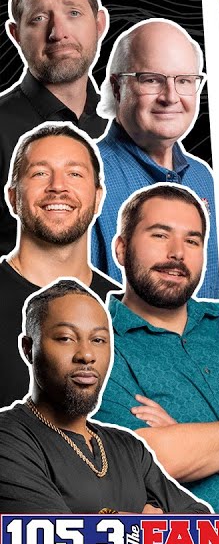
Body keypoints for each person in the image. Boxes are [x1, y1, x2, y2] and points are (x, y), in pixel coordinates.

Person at [0, 279, 208, 513]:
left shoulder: (129, 448)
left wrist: (119, 525)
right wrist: (145, 525)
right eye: (66, 338)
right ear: (29, 348)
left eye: (98, 340)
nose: (87, 355)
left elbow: (207, 530)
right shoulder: (8, 438)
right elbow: (54, 542)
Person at [95, 183, 219, 513]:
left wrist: (187, 438)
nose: (177, 253)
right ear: (121, 250)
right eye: (159, 235)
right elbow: (143, 460)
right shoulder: (98, 349)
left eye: (192, 240)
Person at [91, 18, 219, 299]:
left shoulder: (203, 177)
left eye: (184, 81)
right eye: (152, 80)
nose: (171, 97)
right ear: (117, 87)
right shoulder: (86, 173)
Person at [1, 123, 120, 404]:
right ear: (13, 197)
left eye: (74, 174)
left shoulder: (123, 308)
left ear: (98, 198)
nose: (57, 187)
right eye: (40, 173)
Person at [0, 0, 110, 253]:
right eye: (38, 18)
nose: (58, 32)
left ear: (99, 24)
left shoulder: (127, 124)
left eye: (73, 13)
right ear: (16, 34)